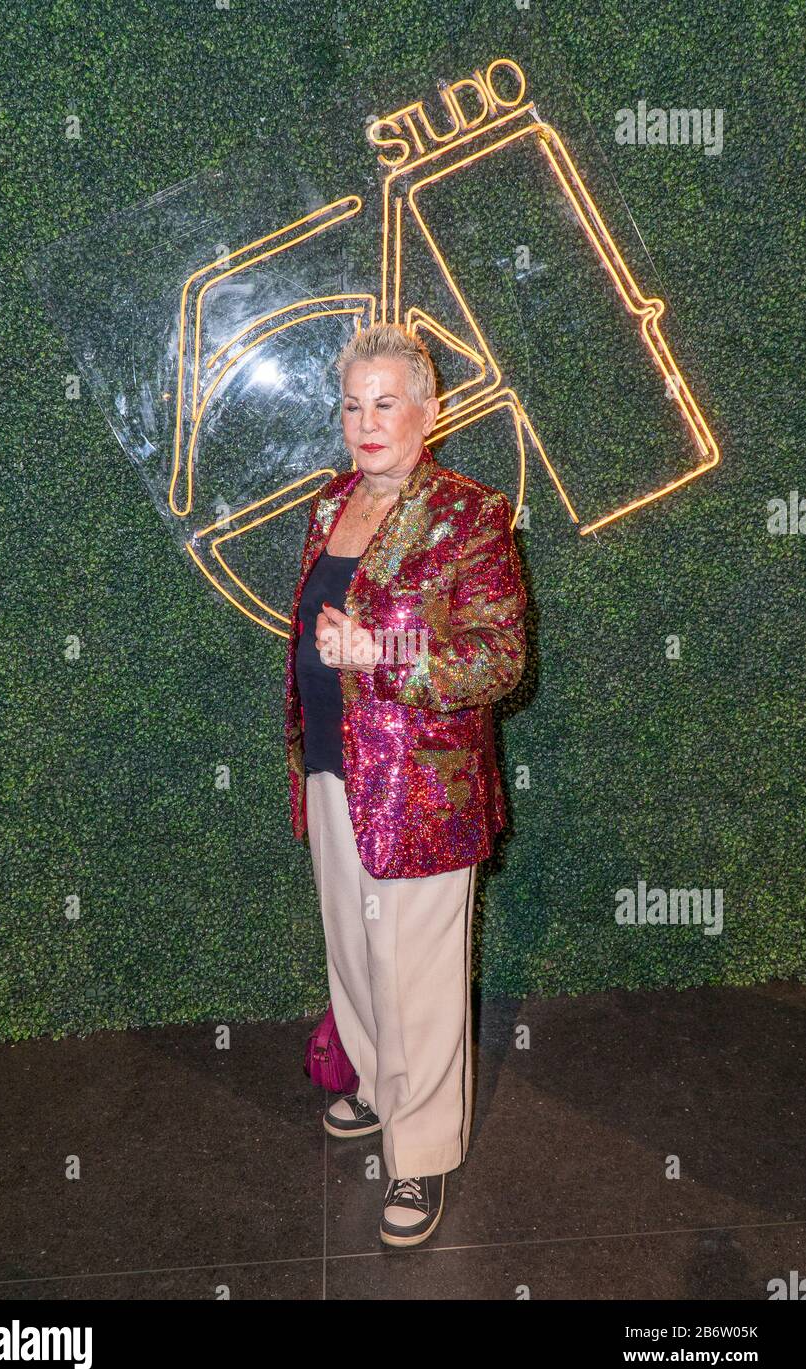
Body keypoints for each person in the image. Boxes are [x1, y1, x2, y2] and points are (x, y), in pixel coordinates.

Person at [284, 322, 527, 1246]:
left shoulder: (469, 513)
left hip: (422, 790)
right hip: (332, 766)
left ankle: (419, 1157)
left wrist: (381, 655)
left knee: (418, 974)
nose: (366, 421)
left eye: (386, 402)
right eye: (352, 403)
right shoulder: (328, 505)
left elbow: (498, 659)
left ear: (431, 410)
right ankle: (378, 1085)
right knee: (352, 948)